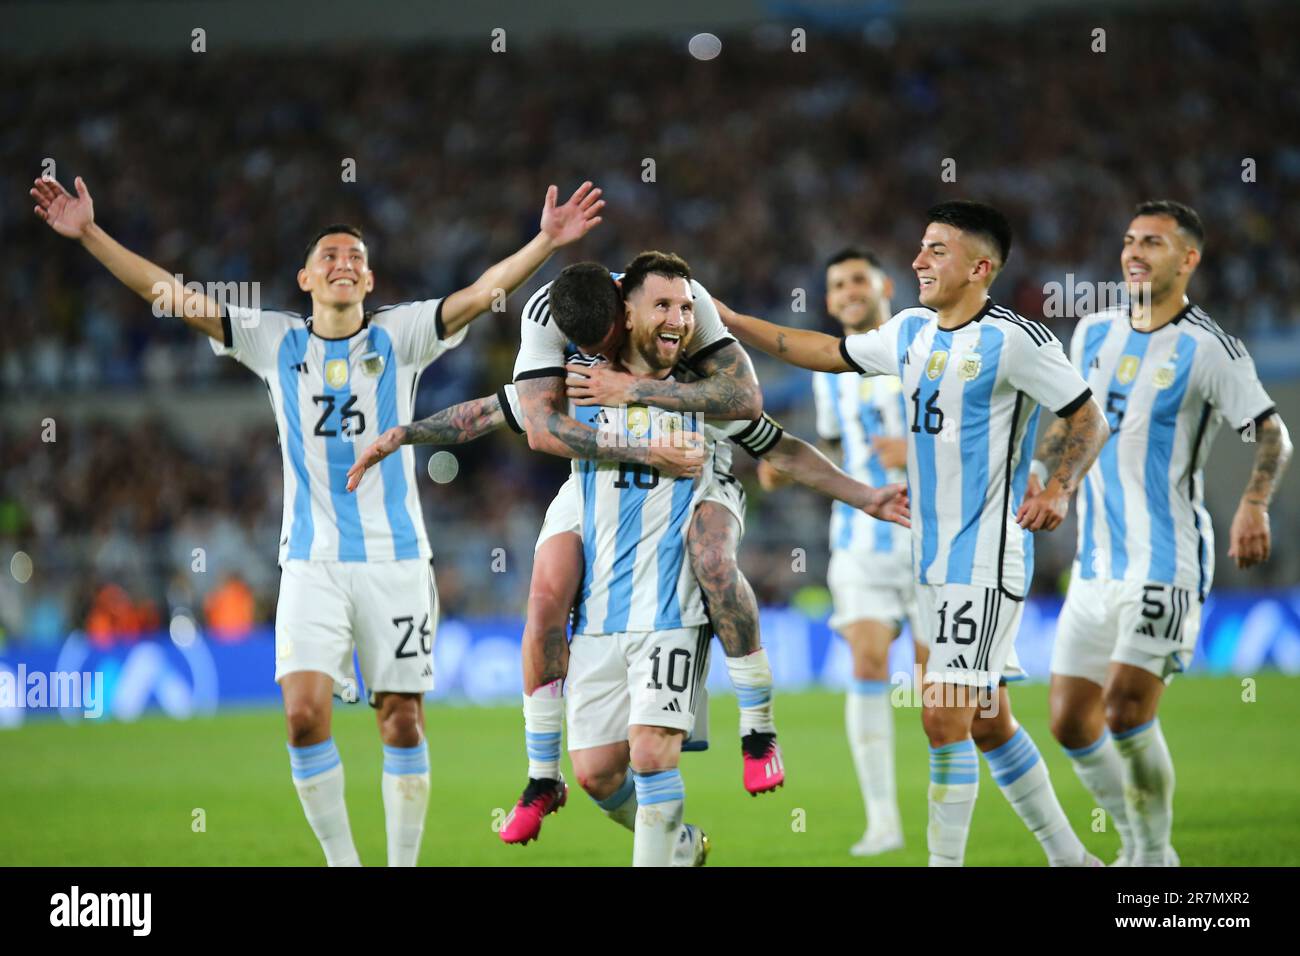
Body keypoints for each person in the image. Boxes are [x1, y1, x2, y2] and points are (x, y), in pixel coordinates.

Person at [32, 173, 605, 866]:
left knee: (400, 720)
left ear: (370, 280)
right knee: (303, 718)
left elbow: (484, 293)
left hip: (395, 562)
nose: (344, 263)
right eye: (330, 255)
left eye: (356, 257)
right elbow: (170, 295)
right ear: (305, 276)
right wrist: (90, 233)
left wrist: (545, 239)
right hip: (310, 563)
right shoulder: (271, 340)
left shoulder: (402, 335)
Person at [349, 256, 908, 865]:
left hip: (667, 605)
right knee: (594, 767)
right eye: (662, 311)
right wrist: (403, 434)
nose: (674, 320)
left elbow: (774, 440)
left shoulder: (697, 389)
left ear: (629, 313)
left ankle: (758, 726)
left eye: (680, 311)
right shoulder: (574, 381)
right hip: (604, 609)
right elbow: (492, 413)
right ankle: (587, 797)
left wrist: (865, 495)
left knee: (695, 616)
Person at [715, 200, 1110, 866]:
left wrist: (1061, 487)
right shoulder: (910, 332)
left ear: (980, 267)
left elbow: (1086, 417)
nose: (917, 260)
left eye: (936, 250)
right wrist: (728, 320)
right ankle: (1075, 859)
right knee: (986, 721)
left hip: (982, 557)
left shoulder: (1017, 340)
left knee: (942, 717)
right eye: (921, 246)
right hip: (929, 556)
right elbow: (818, 349)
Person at [493, 252, 786, 843]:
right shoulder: (543, 315)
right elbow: (539, 426)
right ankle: (542, 776)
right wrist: (637, 447)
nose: (597, 355)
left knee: (710, 559)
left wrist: (634, 388)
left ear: (626, 313)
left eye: (606, 341)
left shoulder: (685, 303)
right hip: (603, 467)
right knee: (547, 591)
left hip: (688, 457)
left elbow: (747, 403)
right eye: (585, 348)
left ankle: (758, 731)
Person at [1041, 200, 1292, 866]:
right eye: (1128, 240)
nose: (1133, 252)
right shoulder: (1091, 331)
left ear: (1188, 259)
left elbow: (1272, 432)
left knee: (1126, 711)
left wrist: (1255, 504)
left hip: (1166, 561)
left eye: (1152, 242)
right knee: (1068, 721)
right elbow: (1070, 424)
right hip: (1094, 564)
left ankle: (1150, 857)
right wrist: (1041, 470)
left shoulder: (1208, 348)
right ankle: (1139, 842)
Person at [758, 246, 920, 856]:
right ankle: (882, 821)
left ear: (884, 285)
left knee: (943, 699)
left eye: (859, 279)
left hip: (934, 542)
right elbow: (832, 448)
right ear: (828, 301)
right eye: (838, 284)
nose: (849, 291)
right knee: (868, 663)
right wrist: (782, 465)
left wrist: (919, 452)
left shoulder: (921, 346)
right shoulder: (829, 371)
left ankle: (943, 824)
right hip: (859, 543)